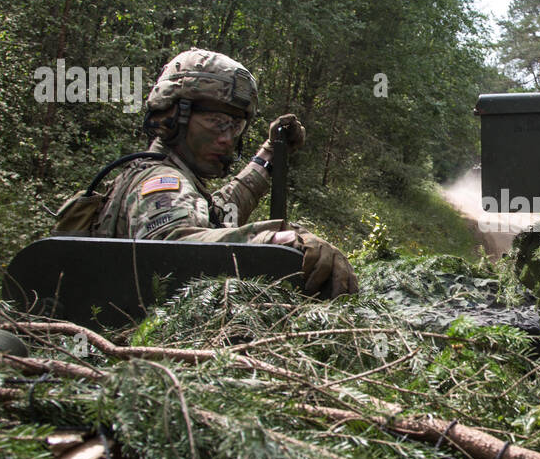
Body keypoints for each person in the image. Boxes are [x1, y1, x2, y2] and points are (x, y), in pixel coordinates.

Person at [92, 47, 357, 298]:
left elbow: (217, 218)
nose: (227, 139)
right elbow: (171, 249)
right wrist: (279, 242)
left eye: (236, 126)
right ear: (172, 115)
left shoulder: (160, 173)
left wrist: (269, 157)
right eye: (216, 122)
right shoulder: (161, 181)